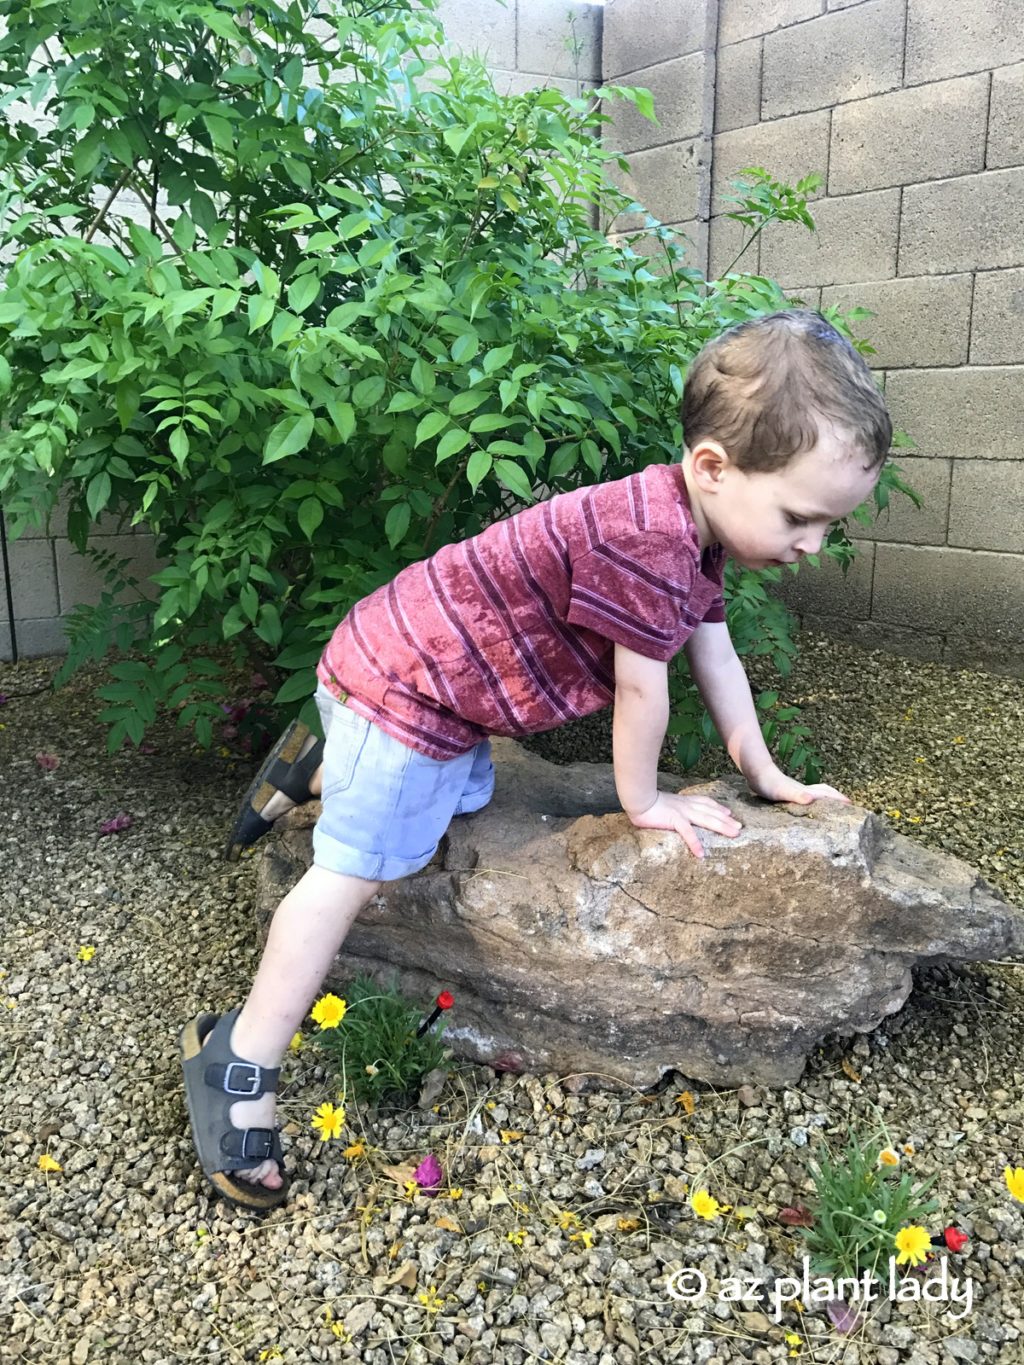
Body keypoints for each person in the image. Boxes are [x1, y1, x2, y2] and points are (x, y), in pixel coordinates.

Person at [180, 308, 892, 1208]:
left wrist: (766, 771)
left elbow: (716, 652)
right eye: (802, 516)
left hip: (437, 692)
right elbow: (645, 692)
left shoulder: (688, 526)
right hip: (408, 688)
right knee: (354, 873)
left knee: (463, 798)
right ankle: (239, 1059)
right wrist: (643, 804)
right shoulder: (650, 540)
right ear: (713, 466)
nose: (813, 545)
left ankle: (321, 759)